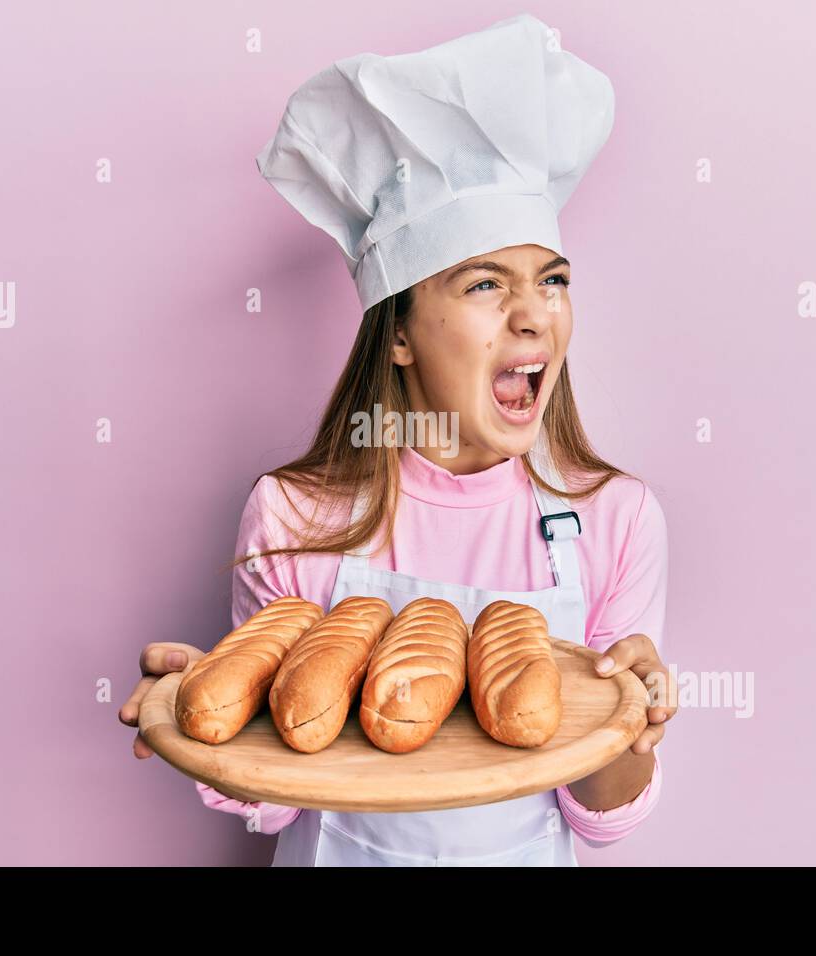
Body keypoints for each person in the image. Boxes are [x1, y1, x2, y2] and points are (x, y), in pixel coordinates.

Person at [118, 13, 677, 866]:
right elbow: (266, 808)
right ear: (402, 332)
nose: (534, 315)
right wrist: (216, 713)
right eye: (486, 282)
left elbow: (598, 815)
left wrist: (634, 725)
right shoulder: (294, 512)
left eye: (552, 280)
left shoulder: (614, 520)